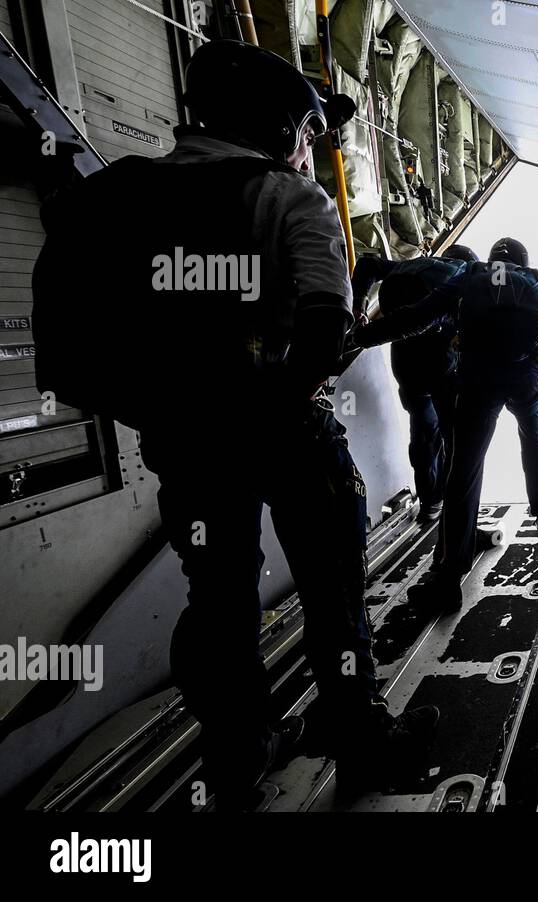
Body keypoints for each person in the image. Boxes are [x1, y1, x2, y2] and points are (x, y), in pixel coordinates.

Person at [32, 40, 438, 808]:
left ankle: (242, 740)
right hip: (287, 432)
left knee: (217, 596)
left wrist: (161, 407)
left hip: (187, 442)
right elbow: (325, 326)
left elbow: (68, 349)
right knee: (332, 588)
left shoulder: (115, 197)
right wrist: (280, 396)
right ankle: (359, 737)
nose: (310, 146)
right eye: (311, 131)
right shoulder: (289, 198)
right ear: (281, 125)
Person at [427, 237, 538, 605]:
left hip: (478, 379)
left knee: (464, 468)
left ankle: (449, 576)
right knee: (535, 443)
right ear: (524, 261)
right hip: (526, 379)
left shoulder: (471, 278)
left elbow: (431, 315)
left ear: (490, 259)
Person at [349, 245, 479, 525]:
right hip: (436, 361)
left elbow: (367, 265)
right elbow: (416, 321)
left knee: (423, 430)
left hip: (408, 367)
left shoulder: (412, 265)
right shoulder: (462, 277)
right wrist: (363, 338)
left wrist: (357, 306)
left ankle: (432, 501)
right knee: (451, 435)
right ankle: (450, 503)